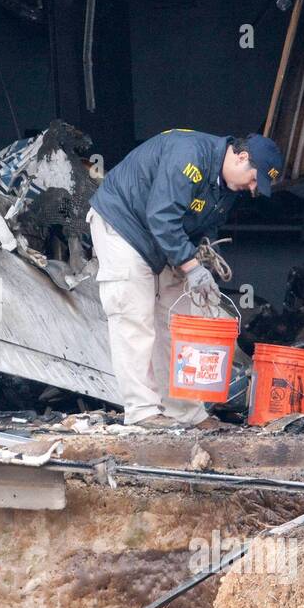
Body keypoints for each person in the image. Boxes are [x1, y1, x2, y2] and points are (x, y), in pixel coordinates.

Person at [87, 130, 284, 428]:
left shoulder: (228, 187)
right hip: (124, 227)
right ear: (242, 157)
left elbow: (207, 229)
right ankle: (142, 412)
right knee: (134, 318)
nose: (253, 189)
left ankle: (186, 413)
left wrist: (203, 262)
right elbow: (161, 217)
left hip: (162, 240)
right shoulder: (189, 155)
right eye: (255, 179)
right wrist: (191, 267)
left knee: (176, 323)